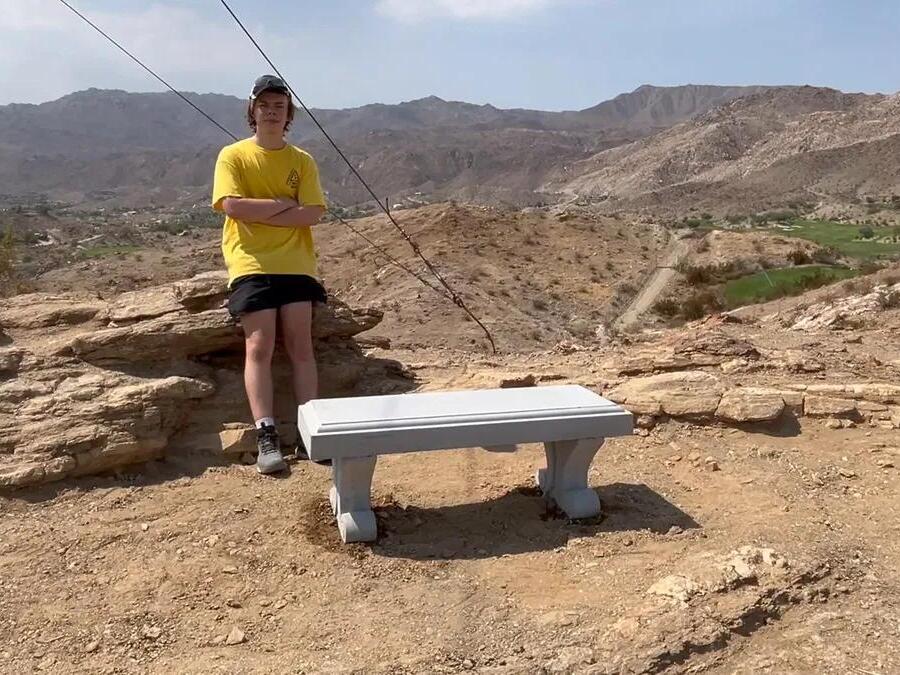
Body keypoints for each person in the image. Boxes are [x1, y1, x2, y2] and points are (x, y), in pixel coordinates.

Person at [212, 74, 328, 474]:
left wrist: (262, 208)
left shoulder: (302, 161)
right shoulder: (233, 156)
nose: (272, 111)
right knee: (259, 347)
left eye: (279, 105)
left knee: (300, 345)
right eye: (264, 105)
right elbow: (231, 206)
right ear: (253, 110)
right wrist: (284, 206)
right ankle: (266, 434)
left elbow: (312, 213)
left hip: (296, 265)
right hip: (251, 264)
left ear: (288, 113)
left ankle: (313, 430)